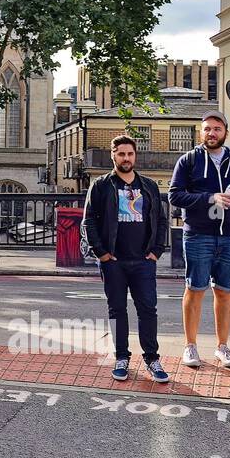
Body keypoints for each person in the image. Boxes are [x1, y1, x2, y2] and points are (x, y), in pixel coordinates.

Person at [168, 112, 230, 369]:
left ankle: (222, 347)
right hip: (198, 234)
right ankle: (190, 346)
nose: (211, 133)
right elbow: (174, 196)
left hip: (229, 235)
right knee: (195, 290)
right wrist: (210, 198)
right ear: (201, 132)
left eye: (217, 129)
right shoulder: (188, 161)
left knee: (225, 292)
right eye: (207, 129)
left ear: (225, 132)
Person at [81, 135, 170, 383]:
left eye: (130, 154)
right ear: (113, 155)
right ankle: (121, 357)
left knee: (147, 310)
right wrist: (102, 253)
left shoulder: (149, 186)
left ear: (135, 156)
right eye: (121, 154)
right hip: (114, 262)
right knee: (117, 309)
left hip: (144, 261)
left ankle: (152, 359)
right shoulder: (101, 186)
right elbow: (89, 221)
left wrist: (157, 251)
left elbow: (161, 220)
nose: (126, 158)